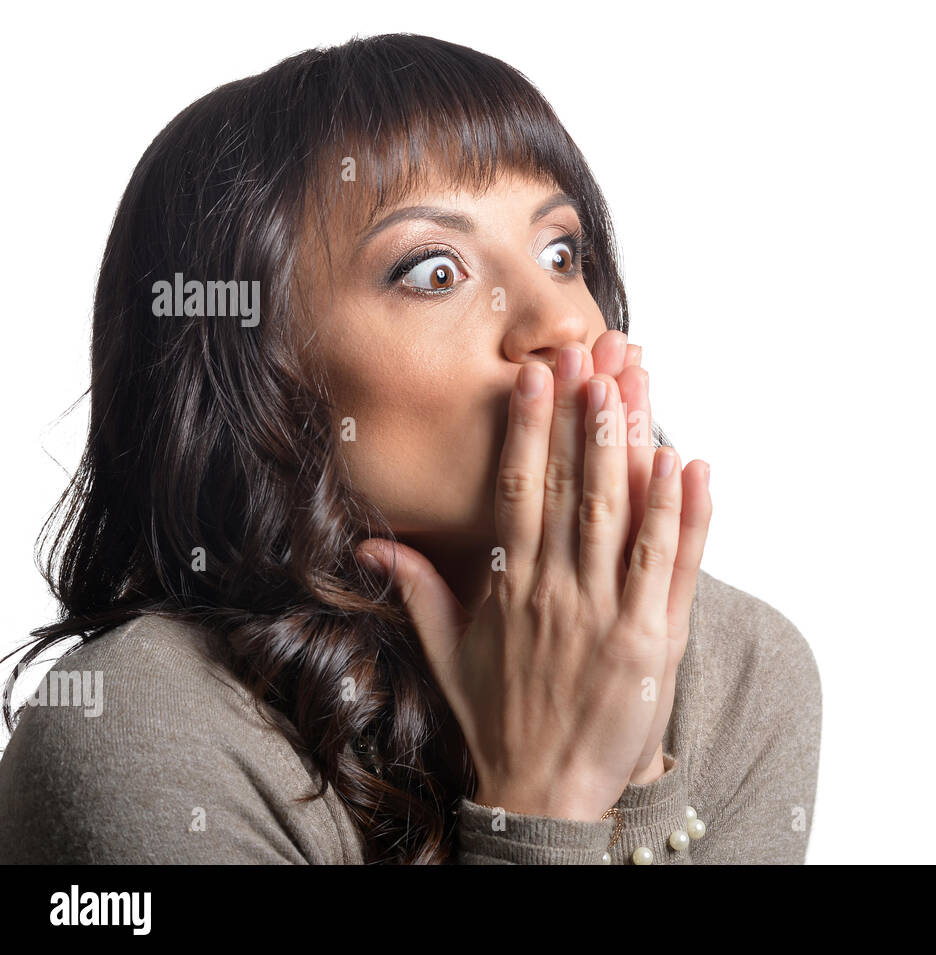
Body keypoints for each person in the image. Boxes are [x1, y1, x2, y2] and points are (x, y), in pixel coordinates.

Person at [0, 33, 821, 864]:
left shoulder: (742, 671)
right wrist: (544, 802)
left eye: (561, 252)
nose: (566, 323)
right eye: (434, 271)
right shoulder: (137, 727)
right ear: (253, 379)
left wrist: (638, 760)